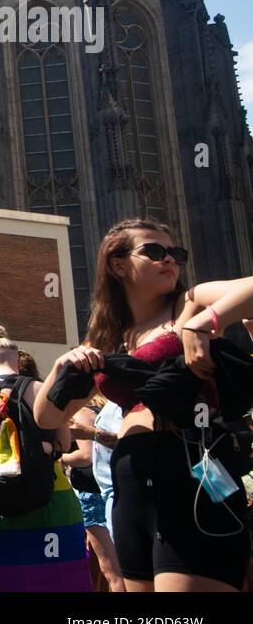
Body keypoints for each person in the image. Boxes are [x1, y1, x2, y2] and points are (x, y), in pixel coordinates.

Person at [34, 217, 253, 592]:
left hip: (189, 473)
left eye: (175, 253)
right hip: (130, 485)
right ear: (117, 264)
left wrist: (203, 323)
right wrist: (61, 367)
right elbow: (47, 415)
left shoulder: (189, 303)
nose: (170, 260)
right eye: (154, 251)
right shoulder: (109, 334)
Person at [0, 325, 88, 591]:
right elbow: (63, 442)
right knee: (61, 577)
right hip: (49, 494)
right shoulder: (41, 389)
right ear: (17, 359)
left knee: (14, 577)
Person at [62, 394, 124, 591]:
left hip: (93, 495)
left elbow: (86, 456)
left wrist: (60, 458)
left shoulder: (80, 415)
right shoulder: (106, 410)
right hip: (110, 491)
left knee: (112, 570)